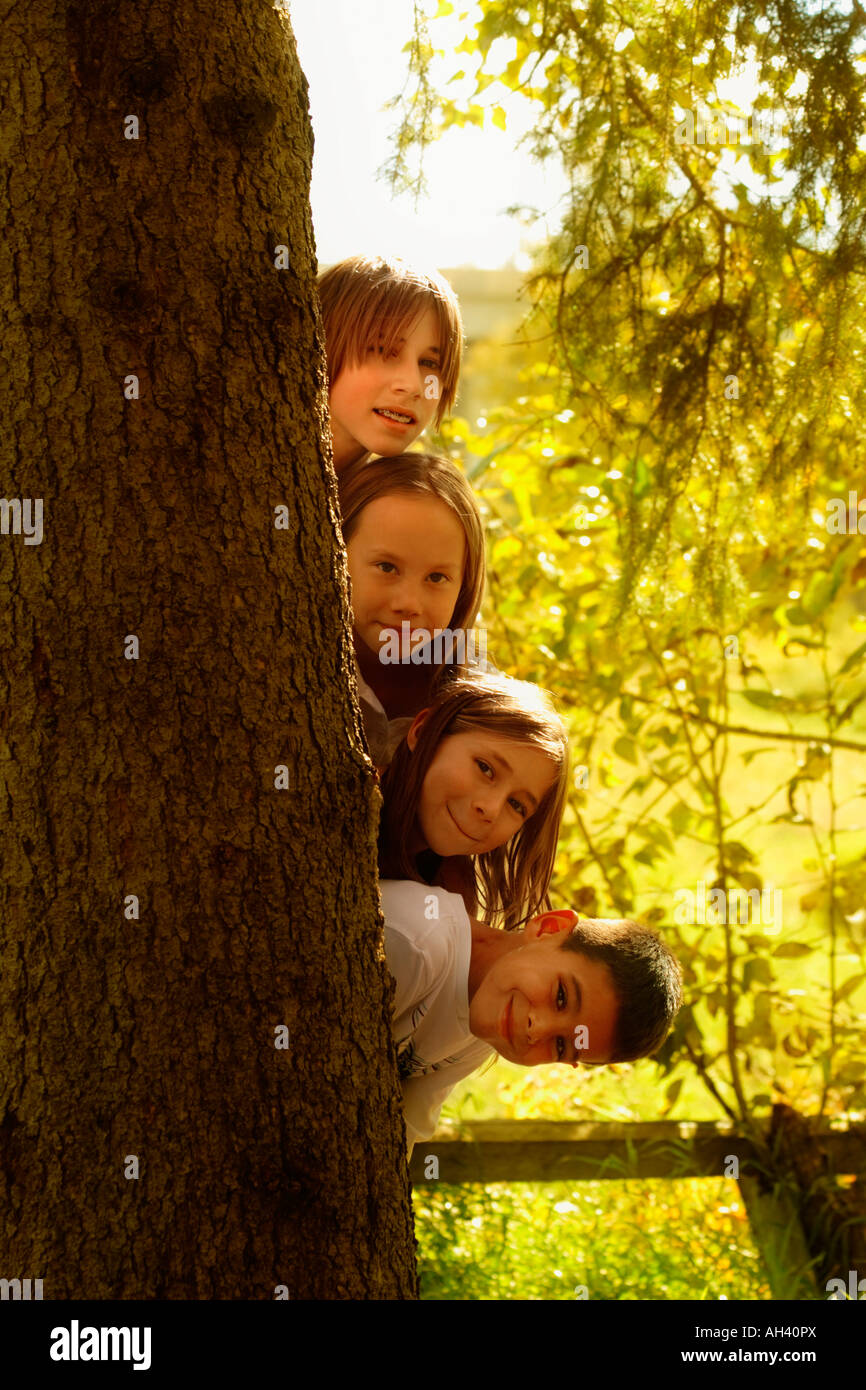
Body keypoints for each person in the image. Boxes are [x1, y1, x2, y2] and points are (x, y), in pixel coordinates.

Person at [382, 880, 683, 1157]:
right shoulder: (413, 946)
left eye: (562, 1045)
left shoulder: (490, 1019)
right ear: (548, 929)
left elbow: (400, 1130)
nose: (536, 1029)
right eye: (561, 996)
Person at [379, 669, 569, 931]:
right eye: (485, 768)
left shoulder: (449, 897)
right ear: (424, 732)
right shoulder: (346, 790)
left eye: (516, 805)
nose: (490, 809)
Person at [339, 453, 487, 767]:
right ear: (338, 552)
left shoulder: (477, 702)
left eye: (436, 577)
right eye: (387, 567)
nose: (408, 604)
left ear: (464, 586)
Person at [317, 254, 463, 473]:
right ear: (323, 344)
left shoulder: (407, 503)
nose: (413, 385)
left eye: (429, 363)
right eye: (383, 350)